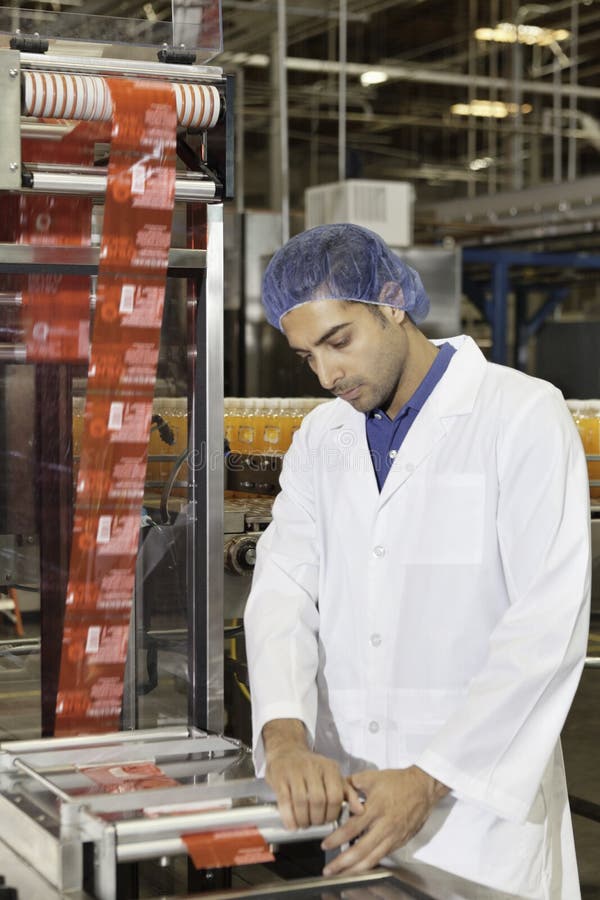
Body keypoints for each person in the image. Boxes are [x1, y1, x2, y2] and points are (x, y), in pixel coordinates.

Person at [243, 223, 591, 899]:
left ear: (393, 301)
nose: (327, 374)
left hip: (480, 813)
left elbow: (545, 628)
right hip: (358, 807)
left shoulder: (521, 416)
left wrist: (431, 777)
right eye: (306, 356)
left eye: (339, 341)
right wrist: (284, 735)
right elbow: (285, 587)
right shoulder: (323, 437)